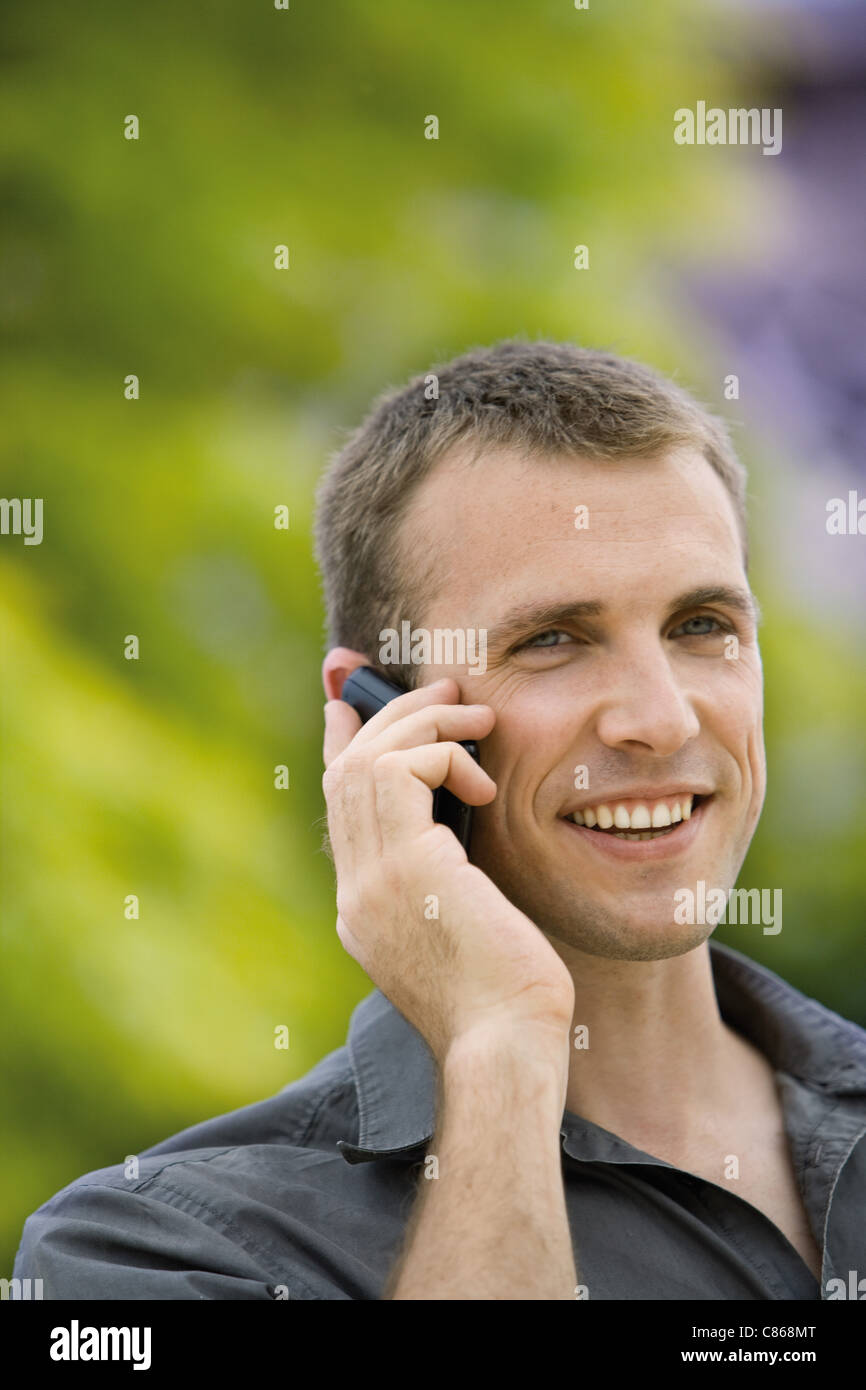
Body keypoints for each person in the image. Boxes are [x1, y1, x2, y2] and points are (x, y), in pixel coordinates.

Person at [14, 340, 866, 1300]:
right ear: (375, 711)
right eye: (552, 640)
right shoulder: (156, 1251)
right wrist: (501, 1045)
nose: (661, 718)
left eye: (701, 626)